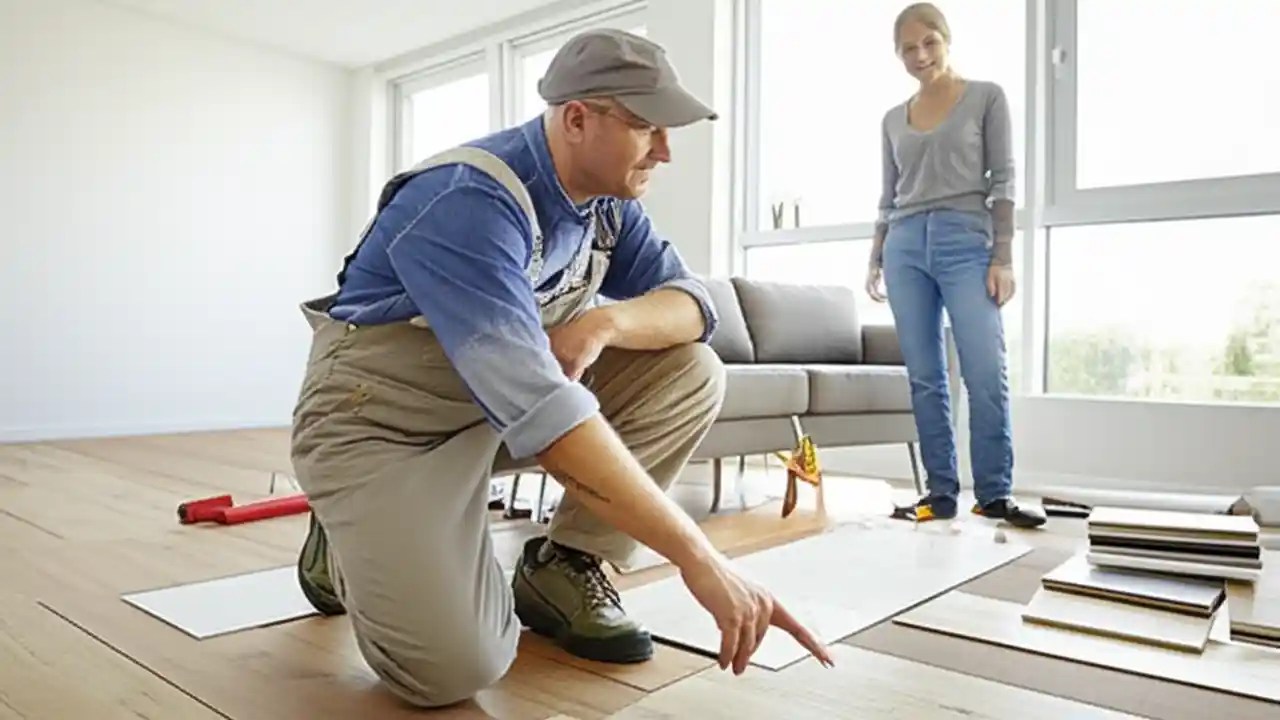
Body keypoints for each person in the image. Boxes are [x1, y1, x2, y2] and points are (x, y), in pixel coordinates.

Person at [288, 28, 832, 709]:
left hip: (492, 414)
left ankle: (564, 566)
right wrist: (700, 557)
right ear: (577, 119)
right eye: (645, 128)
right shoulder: (466, 204)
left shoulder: (606, 206)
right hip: (385, 427)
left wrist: (604, 323)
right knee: (454, 671)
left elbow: (695, 307)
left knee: (689, 370)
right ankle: (347, 534)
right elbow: (547, 417)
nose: (664, 151)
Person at [865, 3, 1045, 529]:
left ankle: (993, 493)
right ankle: (939, 493)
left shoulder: (986, 97)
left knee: (985, 369)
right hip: (904, 247)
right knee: (925, 377)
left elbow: (1004, 181)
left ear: (947, 40)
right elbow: (888, 194)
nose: (920, 55)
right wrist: (876, 255)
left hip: (967, 239)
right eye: (908, 49)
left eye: (929, 43)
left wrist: (1003, 256)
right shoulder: (892, 119)